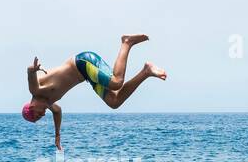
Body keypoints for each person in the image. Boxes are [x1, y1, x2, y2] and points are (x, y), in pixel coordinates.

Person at [21, 34, 167, 149]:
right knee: (114, 102)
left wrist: (33, 70)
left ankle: (126, 42)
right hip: (86, 76)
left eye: (39, 114)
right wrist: (57, 135)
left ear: (32, 107)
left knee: (116, 82)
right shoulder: (48, 103)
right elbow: (57, 112)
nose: (43, 114)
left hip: (83, 63)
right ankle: (146, 71)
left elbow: (30, 74)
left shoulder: (35, 89)